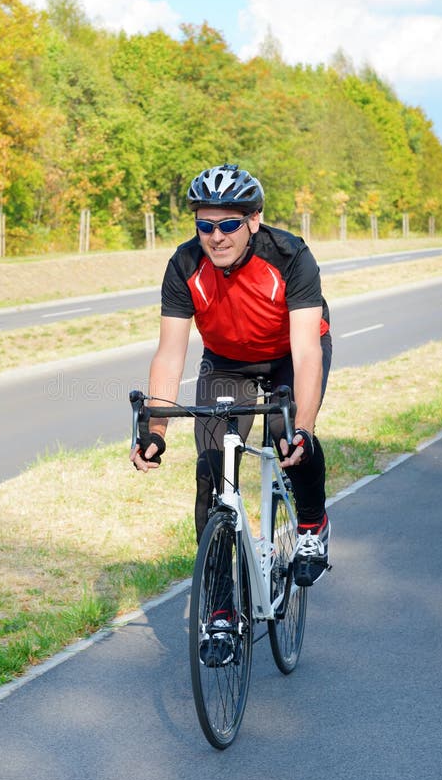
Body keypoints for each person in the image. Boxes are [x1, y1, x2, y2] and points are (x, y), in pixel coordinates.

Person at [130, 163, 331, 659]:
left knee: (288, 436)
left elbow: (307, 351)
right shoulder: (184, 265)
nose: (215, 237)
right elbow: (170, 353)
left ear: (253, 221)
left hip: (288, 354)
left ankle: (311, 524)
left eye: (228, 225)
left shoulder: (291, 256)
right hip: (227, 363)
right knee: (212, 473)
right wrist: (156, 429)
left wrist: (302, 427)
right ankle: (220, 611)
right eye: (205, 225)